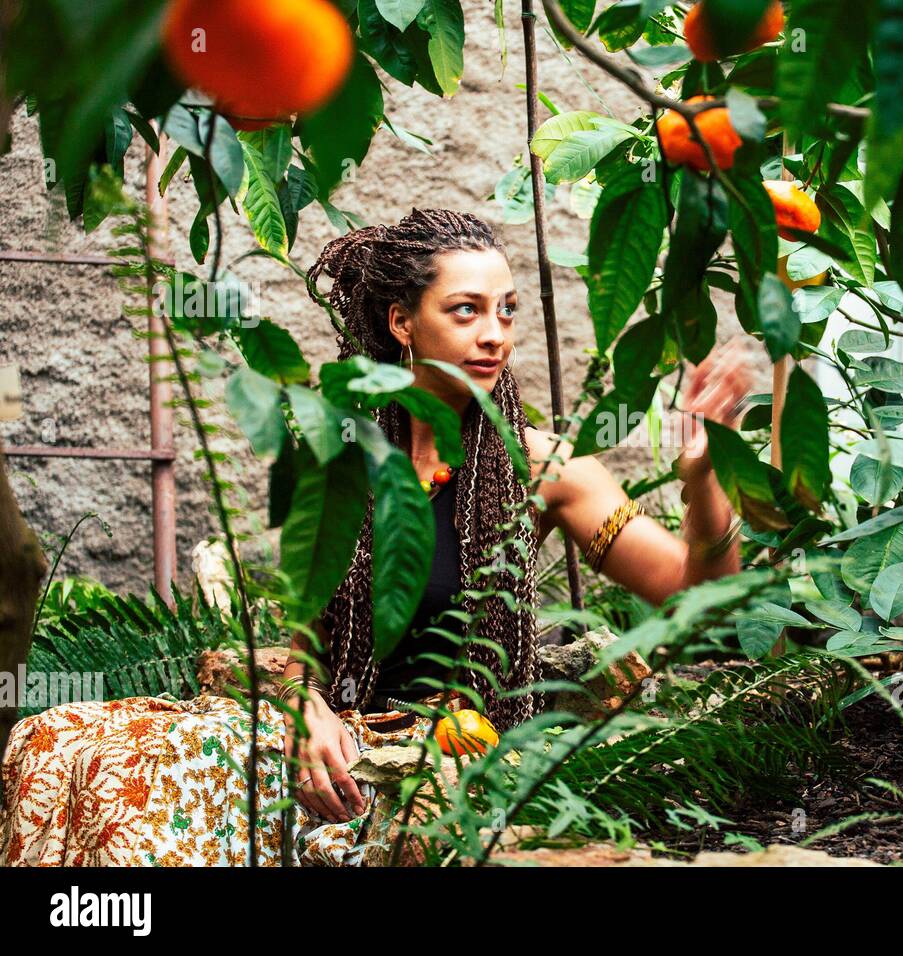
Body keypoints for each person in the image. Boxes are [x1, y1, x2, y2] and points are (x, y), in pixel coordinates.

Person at [0, 208, 754, 865]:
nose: (494, 335)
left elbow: (698, 595)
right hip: (335, 745)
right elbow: (306, 653)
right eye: (465, 311)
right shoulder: (343, 460)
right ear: (402, 323)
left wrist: (703, 480)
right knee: (57, 740)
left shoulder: (542, 466)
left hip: (451, 757)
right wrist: (304, 712)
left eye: (507, 311)